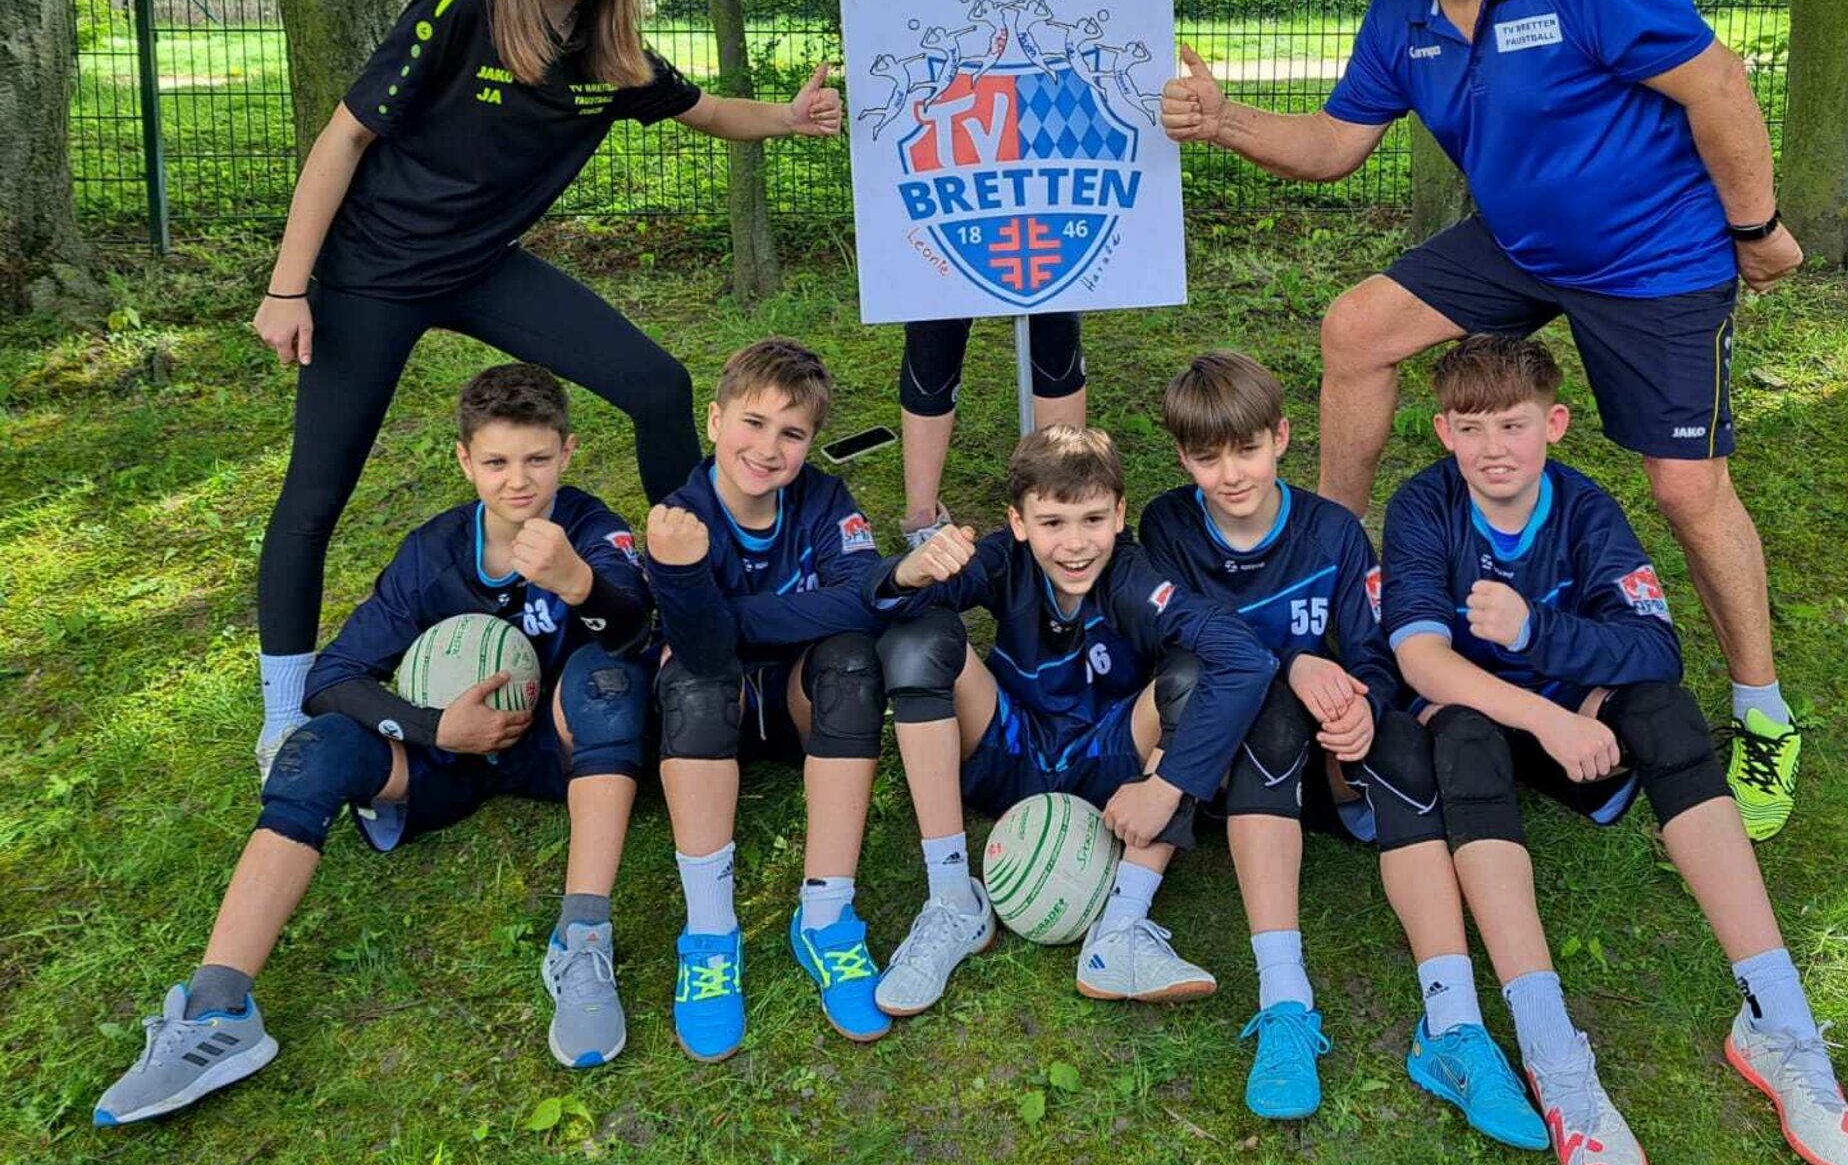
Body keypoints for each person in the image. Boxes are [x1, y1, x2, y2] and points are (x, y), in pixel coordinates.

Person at [1162, 0, 1808, 840]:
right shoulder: (1399, 18)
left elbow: (1718, 88)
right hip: (1520, 246)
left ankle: (1761, 710)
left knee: (1686, 488)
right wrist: (1223, 119)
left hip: (1652, 258)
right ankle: (1332, 578)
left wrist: (1757, 227)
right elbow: (1335, 147)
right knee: (1355, 327)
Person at [250, 0, 841, 779]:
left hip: (482, 266)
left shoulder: (610, 53)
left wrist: (788, 116)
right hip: (370, 273)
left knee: (656, 383)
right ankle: (281, 714)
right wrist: (290, 286)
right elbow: (342, 139)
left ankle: (683, 579)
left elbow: (704, 111)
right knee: (316, 491)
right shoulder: (457, 13)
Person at [93, 365, 656, 1125]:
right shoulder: (435, 551)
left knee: (608, 683)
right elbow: (333, 676)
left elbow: (639, 633)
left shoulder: (590, 529)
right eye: (496, 462)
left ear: (567, 451)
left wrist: (581, 584)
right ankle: (217, 1012)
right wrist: (432, 729)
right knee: (314, 748)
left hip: (561, 752)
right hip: (446, 752)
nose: (517, 481)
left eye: (536, 459)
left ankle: (582, 942)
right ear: (464, 461)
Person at [1382, 335, 1848, 1165]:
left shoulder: (1585, 507)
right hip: (1489, 732)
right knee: (1455, 728)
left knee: (1666, 710)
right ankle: (1552, 1054)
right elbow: (1421, 660)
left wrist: (1538, 634)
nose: (1494, 447)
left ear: (1555, 424)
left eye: (1514, 424)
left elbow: (1656, 648)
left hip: (1581, 730)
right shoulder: (1424, 508)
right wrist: (1545, 715)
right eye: (1471, 427)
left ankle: (1777, 1018)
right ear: (1442, 432)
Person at [1139, 351, 1546, 1140]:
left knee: (1398, 745)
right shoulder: (1167, 527)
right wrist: (1291, 661)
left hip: (1330, 765)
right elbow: (1173, 652)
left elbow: (1374, 653)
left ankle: (1453, 1026)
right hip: (1211, 756)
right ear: (1184, 457)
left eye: (1247, 449)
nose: (1230, 474)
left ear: (1282, 437)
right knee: (1270, 707)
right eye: (1207, 456)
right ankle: (1284, 1004)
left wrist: (1361, 710)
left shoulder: (1332, 532)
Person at [861, 425, 1274, 1020]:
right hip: (1009, 747)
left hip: (1109, 767)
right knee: (919, 636)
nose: (1075, 544)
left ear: (1119, 514)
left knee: (1191, 674)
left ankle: (1121, 929)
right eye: (1053, 522)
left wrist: (1166, 785)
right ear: (1019, 520)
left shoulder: (1133, 577)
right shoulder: (1004, 556)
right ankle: (952, 899)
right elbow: (879, 601)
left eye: (1093, 520)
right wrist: (908, 571)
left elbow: (1246, 659)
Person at [860, 0, 1104, 550]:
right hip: (948, 133)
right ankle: (922, 515)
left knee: (1055, 308)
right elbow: (873, 10)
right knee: (935, 314)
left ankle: (1064, 501)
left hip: (1049, 130)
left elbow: (1104, 6)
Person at [641, 340, 891, 1061]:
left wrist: (736, 613)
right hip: (709, 717)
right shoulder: (681, 516)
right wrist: (691, 588)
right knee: (694, 679)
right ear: (715, 421)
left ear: (811, 444)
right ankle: (711, 936)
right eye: (753, 423)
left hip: (795, 706)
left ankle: (826, 916)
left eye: (792, 433)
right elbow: (704, 650)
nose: (768, 447)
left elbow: (866, 601)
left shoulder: (823, 499)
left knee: (849, 662)